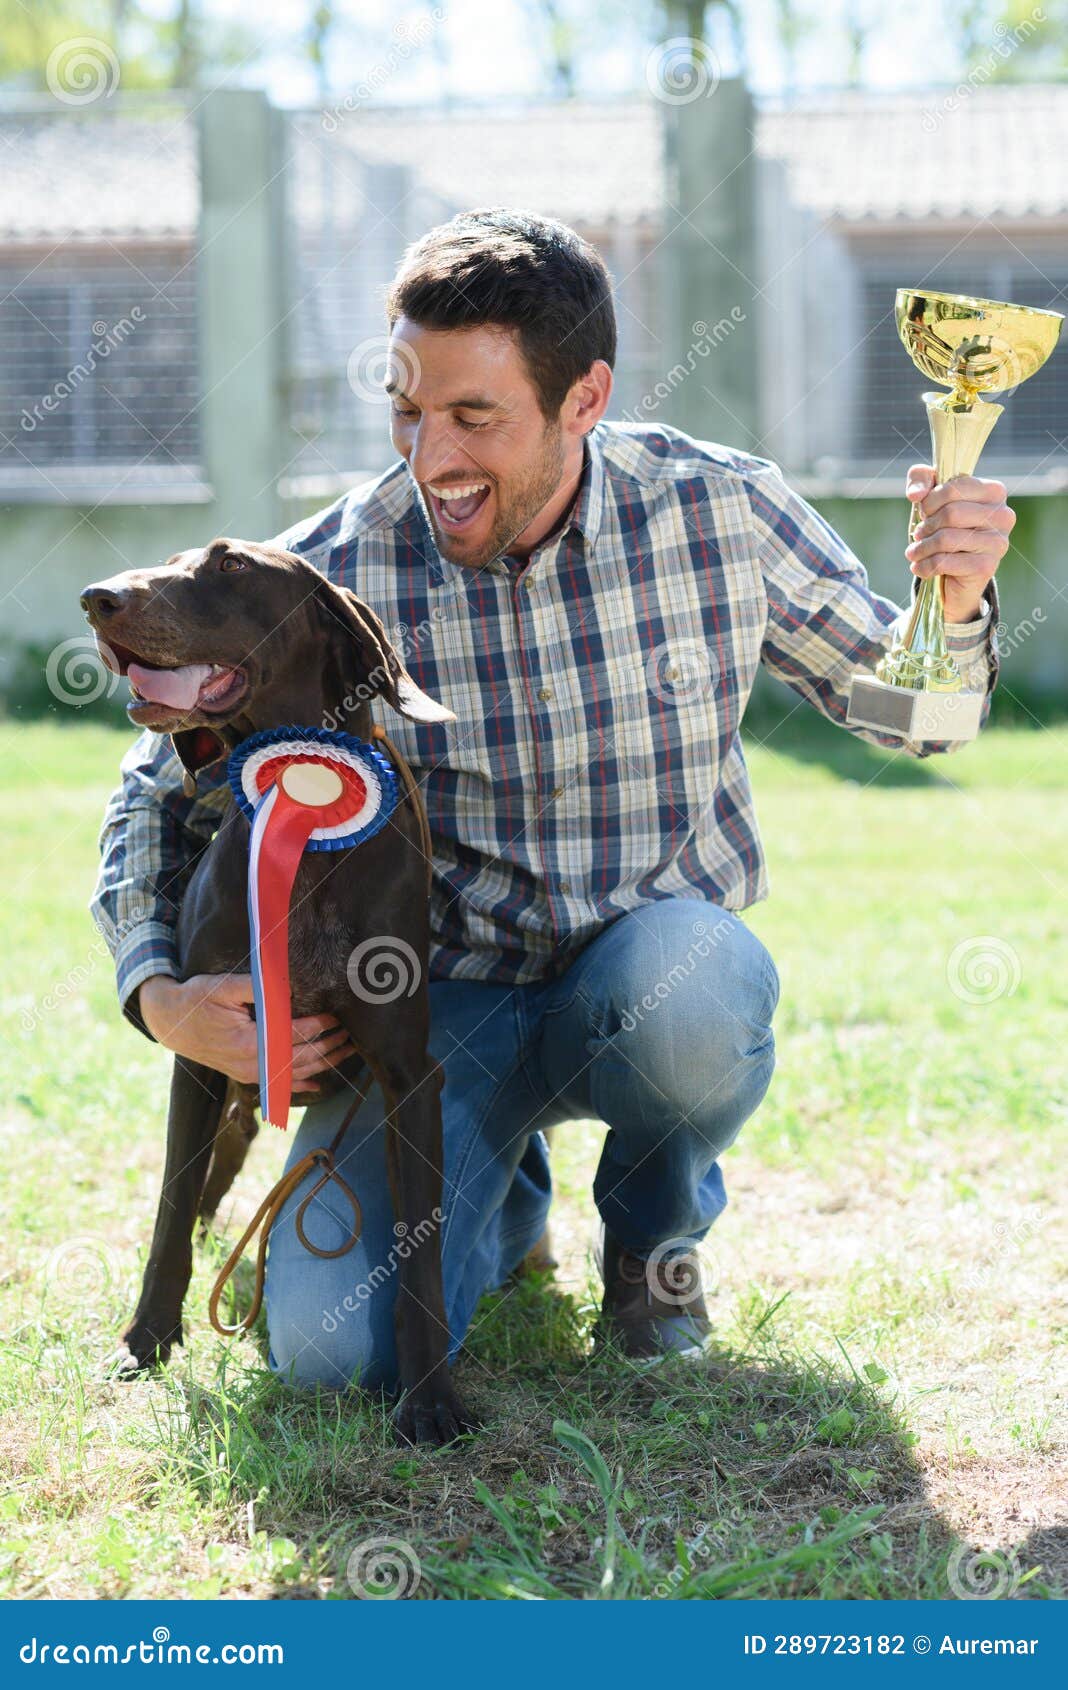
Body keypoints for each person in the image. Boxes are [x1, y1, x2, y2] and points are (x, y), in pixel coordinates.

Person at [91, 208, 1010, 1390]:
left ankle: (649, 1253)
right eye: (410, 413)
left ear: (585, 399)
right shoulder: (341, 569)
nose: (431, 458)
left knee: (694, 992)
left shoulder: (718, 510)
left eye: (476, 417)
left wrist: (963, 603)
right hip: (436, 1012)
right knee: (330, 1353)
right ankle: (498, 1196)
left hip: (654, 977)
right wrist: (156, 991)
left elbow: (917, 721)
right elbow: (150, 797)